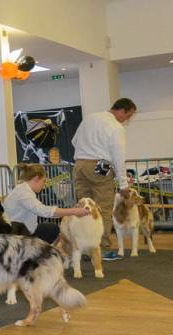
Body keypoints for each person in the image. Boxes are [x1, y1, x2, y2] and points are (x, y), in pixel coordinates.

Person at [71, 97, 136, 261]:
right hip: (100, 166)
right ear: (123, 110)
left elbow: (74, 141)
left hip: (79, 164)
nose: (127, 119)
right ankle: (101, 248)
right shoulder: (116, 127)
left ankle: (83, 248)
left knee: (84, 209)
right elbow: (118, 157)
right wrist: (123, 184)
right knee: (103, 209)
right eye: (128, 115)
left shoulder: (90, 118)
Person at [4, 163, 91, 243]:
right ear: (36, 178)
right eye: (43, 181)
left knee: (50, 228)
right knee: (52, 229)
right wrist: (74, 211)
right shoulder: (23, 193)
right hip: (16, 235)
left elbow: (46, 211)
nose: (44, 184)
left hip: (22, 231)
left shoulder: (23, 189)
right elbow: (43, 211)